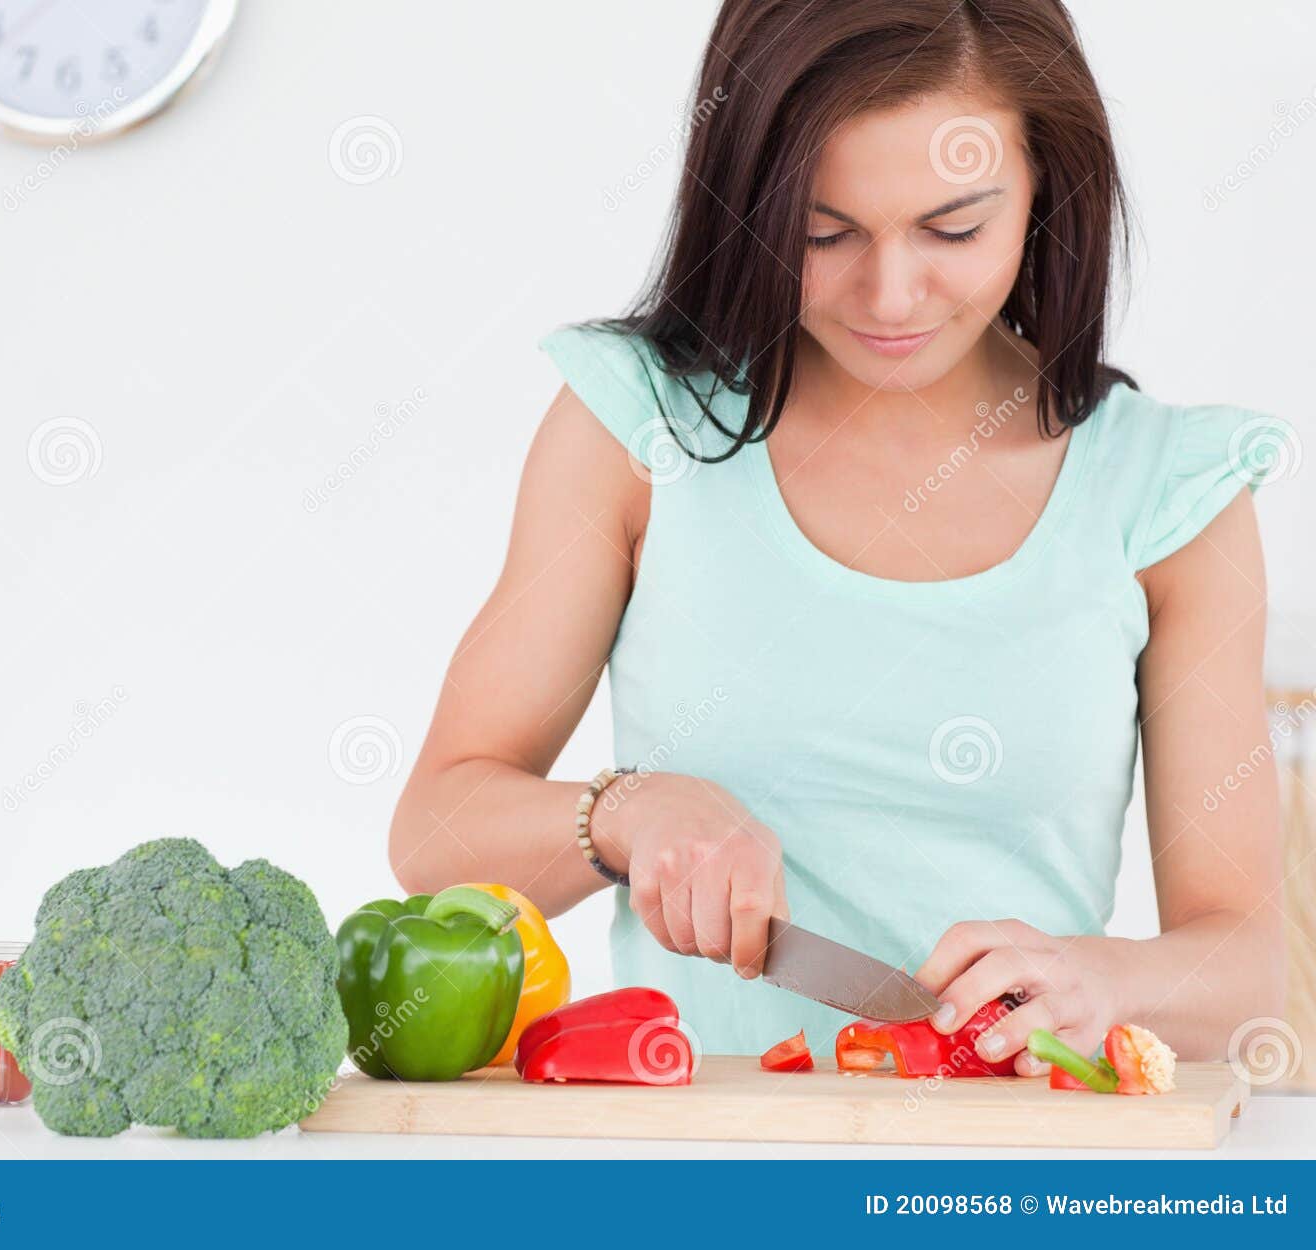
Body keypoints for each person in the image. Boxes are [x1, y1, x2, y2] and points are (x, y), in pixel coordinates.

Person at [389, 0, 1289, 1068]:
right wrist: (624, 813)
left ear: (1050, 183)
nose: (889, 294)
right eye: (822, 232)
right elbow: (433, 834)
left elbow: (1245, 969)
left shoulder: (1169, 491)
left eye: (953, 228)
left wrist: (1104, 980)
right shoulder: (637, 429)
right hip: (699, 1167)